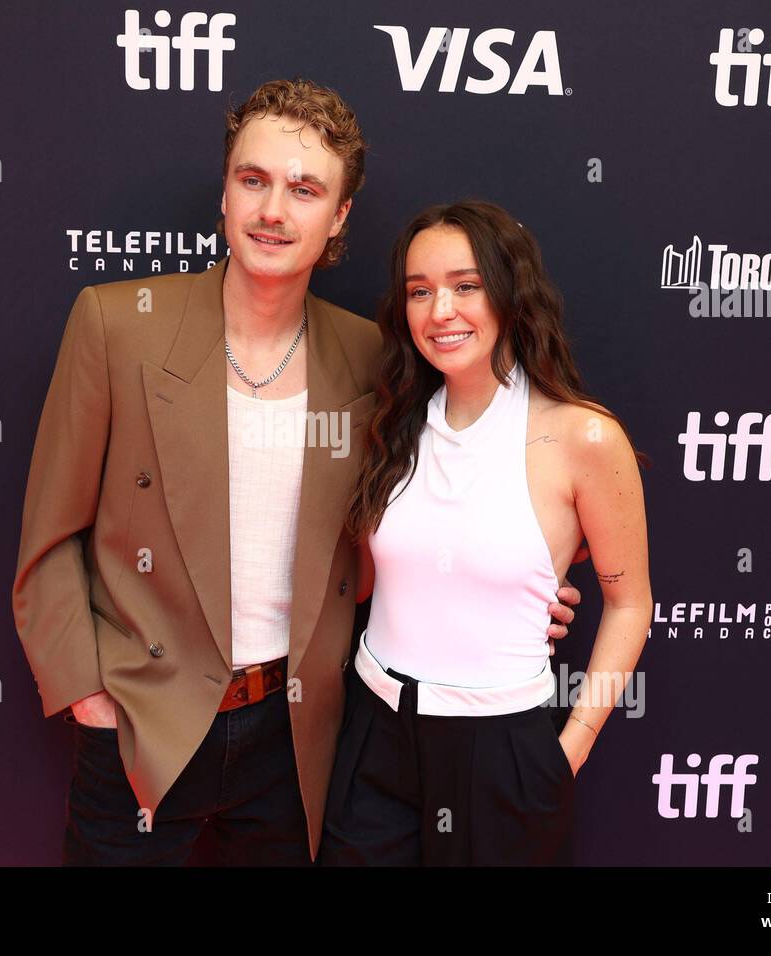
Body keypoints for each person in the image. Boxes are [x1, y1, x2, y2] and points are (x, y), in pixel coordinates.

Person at [12, 80, 584, 866]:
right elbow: (50, 539)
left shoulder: (376, 356)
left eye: (304, 189)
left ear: (339, 216)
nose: (273, 211)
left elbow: (449, 498)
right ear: (225, 190)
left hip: (301, 738)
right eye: (254, 180)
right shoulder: (116, 325)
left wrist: (516, 592)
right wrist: (89, 696)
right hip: (142, 722)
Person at [319, 200, 653, 866]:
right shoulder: (388, 424)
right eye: (420, 291)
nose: (440, 310)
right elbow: (370, 582)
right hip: (373, 733)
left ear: (509, 292)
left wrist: (572, 745)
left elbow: (630, 601)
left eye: (465, 285)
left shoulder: (584, 436)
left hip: (501, 754)